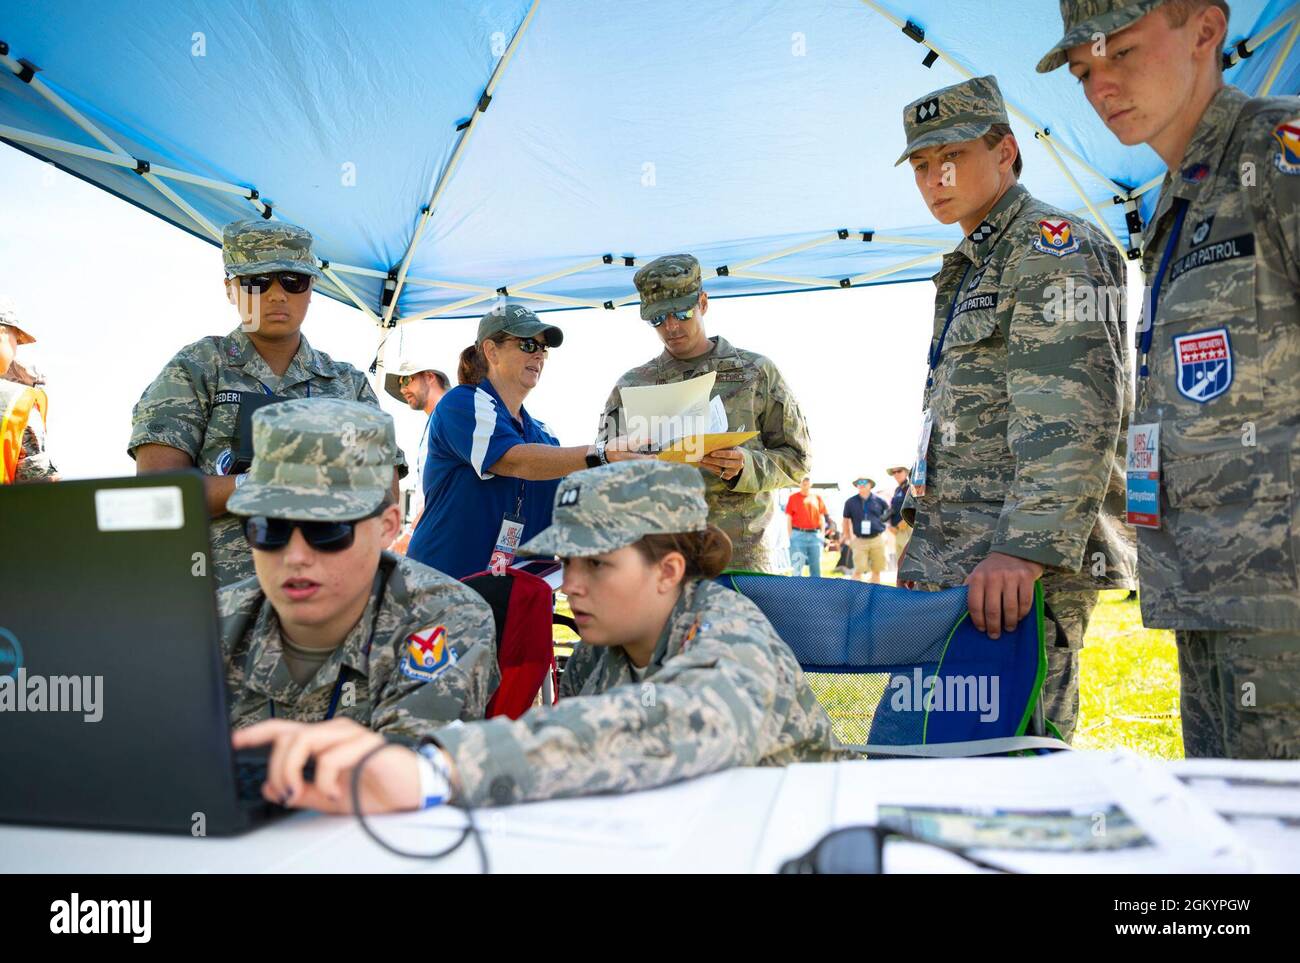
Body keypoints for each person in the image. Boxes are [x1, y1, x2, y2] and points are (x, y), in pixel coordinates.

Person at [231, 460, 842, 813]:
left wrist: (437, 769)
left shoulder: (729, 632)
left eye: (595, 564)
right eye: (565, 563)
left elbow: (684, 719)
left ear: (669, 571)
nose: (568, 585)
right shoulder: (602, 652)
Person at [1045, 0, 1300, 758]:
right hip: (1212, 586)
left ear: (1205, 30)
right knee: (1235, 841)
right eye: (1085, 70)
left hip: (1283, 592)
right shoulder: (1180, 196)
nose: (1099, 86)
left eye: (1121, 52)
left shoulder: (1276, 150)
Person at [895, 74, 1135, 741]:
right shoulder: (975, 261)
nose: (934, 176)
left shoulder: (1047, 245)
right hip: (964, 560)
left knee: (1016, 758)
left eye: (953, 156)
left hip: (1011, 570)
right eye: (920, 164)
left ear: (1005, 151)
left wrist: (1023, 552)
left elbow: (1075, 408)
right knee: (950, 756)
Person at [128, 219, 406, 588]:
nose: (276, 295)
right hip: (216, 598)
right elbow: (158, 495)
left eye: (293, 281)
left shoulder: (347, 384)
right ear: (230, 289)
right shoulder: (197, 368)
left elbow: (384, 497)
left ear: (311, 289)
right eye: (257, 282)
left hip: (326, 595)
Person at [220, 398, 498, 739]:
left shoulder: (446, 618)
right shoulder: (211, 624)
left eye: (327, 528)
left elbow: (401, 772)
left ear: (386, 526)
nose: (295, 556)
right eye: (268, 528)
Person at [597, 255, 812, 573]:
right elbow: (601, 470)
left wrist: (745, 466)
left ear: (703, 303)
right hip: (664, 564)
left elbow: (798, 460)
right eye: (657, 319)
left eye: (681, 313)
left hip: (742, 561)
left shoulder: (755, 373)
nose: (670, 327)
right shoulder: (632, 386)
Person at [407, 303, 646, 580]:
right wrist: (602, 454)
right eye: (528, 345)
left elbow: (570, 507)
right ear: (491, 350)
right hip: (443, 590)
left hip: (512, 600)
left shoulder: (543, 435)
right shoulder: (461, 403)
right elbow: (514, 459)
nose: (540, 355)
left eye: (544, 348)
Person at [383, 359, 450, 552]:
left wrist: (412, 534)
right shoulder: (436, 421)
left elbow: (442, 490)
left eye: (405, 380)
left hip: (440, 537)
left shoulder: (451, 416)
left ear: (429, 376)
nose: (402, 390)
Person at [0, 302, 57, 484]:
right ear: (1, 333)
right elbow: (41, 491)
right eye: (16, 339)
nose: (16, 348)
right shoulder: (17, 401)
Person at [841, 477, 889, 583]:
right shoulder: (850, 502)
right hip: (859, 540)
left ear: (870, 485)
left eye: (864, 482)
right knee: (858, 570)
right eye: (859, 482)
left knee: (877, 570)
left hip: (877, 539)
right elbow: (845, 520)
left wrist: (886, 535)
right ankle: (853, 596)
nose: (861, 484)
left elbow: (887, 517)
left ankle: (874, 596)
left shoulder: (880, 501)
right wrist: (848, 538)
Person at [786, 476, 832, 577]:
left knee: (816, 566)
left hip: (815, 536)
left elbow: (822, 517)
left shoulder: (817, 498)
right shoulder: (792, 498)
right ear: (800, 483)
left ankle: (815, 590)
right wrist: (790, 535)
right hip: (797, 535)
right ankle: (796, 590)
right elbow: (789, 518)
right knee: (797, 566)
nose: (806, 483)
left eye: (808, 481)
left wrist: (822, 535)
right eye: (803, 481)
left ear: (811, 484)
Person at [885, 464, 912, 566]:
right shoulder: (898, 490)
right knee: (900, 563)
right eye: (894, 472)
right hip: (897, 531)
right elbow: (893, 510)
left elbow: (916, 507)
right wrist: (891, 526)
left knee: (908, 562)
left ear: (906, 472)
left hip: (907, 528)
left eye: (899, 471)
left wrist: (905, 521)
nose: (896, 474)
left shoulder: (910, 486)